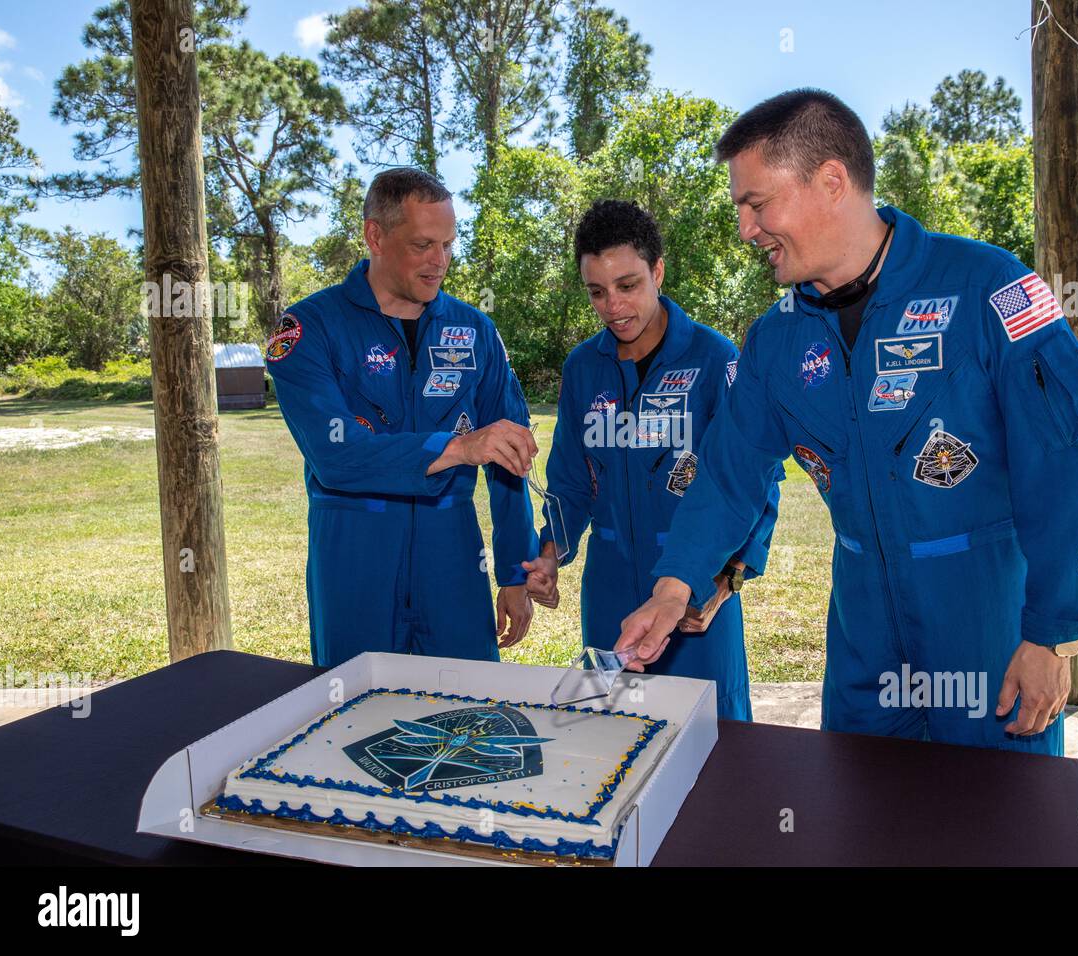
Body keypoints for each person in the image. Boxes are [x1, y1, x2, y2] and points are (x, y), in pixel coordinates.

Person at [616, 90, 1078, 755]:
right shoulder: (777, 342)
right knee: (858, 814)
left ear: (830, 181)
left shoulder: (986, 290)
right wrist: (674, 586)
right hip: (864, 631)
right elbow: (730, 477)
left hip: (986, 616)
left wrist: (1051, 635)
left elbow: (1066, 469)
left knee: (999, 822)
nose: (745, 230)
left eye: (756, 204)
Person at [265, 167, 540, 668]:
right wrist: (455, 448)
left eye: (448, 245)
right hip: (354, 552)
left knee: (468, 711)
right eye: (422, 245)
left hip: (453, 553)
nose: (440, 262)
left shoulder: (474, 328)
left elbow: (509, 456)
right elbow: (336, 456)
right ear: (375, 235)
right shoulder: (310, 327)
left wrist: (515, 572)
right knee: (354, 718)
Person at [521, 199, 783, 720]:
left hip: (697, 590)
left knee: (714, 740)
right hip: (609, 585)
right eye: (597, 291)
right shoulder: (582, 369)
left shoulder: (716, 359)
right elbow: (571, 482)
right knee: (610, 736)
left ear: (658, 271)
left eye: (628, 285)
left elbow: (757, 479)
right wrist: (549, 552)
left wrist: (726, 580)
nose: (613, 306)